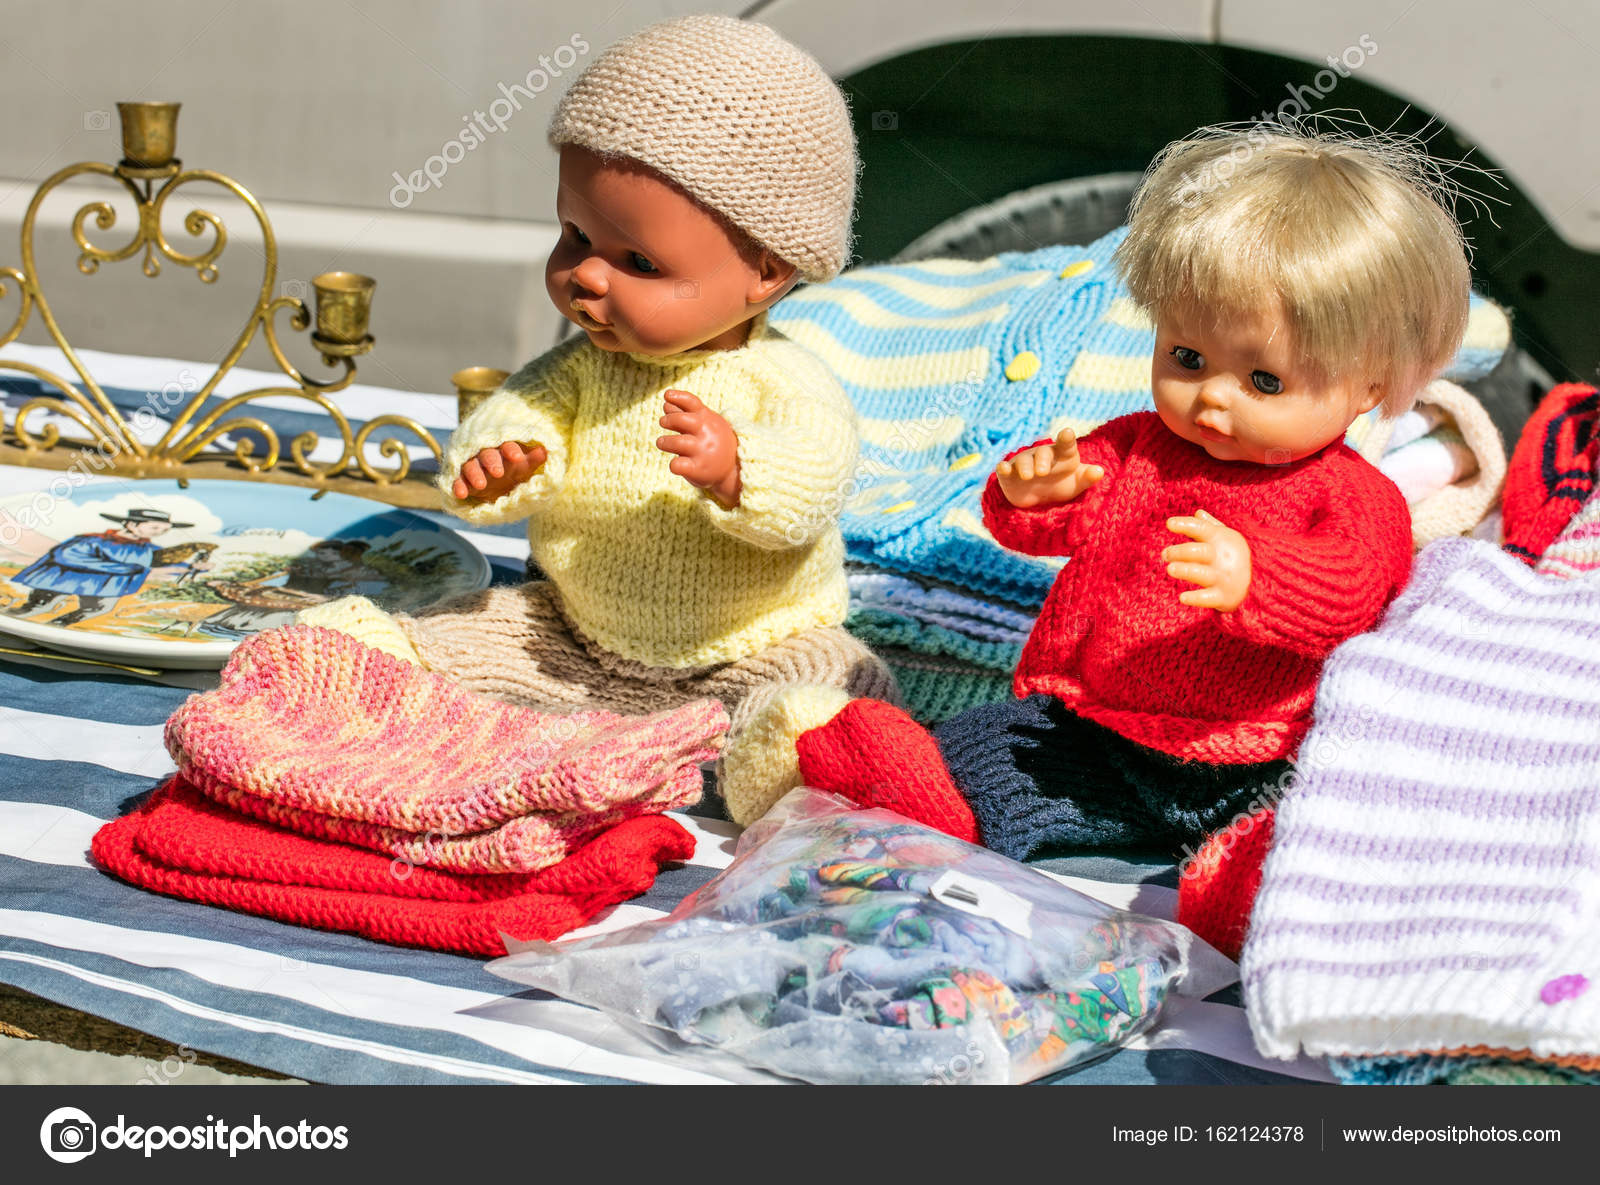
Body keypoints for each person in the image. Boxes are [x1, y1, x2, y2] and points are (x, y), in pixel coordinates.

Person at [796, 123, 1472, 866]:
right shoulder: (1139, 443)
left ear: (1370, 385)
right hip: (1098, 728)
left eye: (1264, 381)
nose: (1212, 398)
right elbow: (1064, 513)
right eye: (1186, 357)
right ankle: (924, 796)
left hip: (1253, 753)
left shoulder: (1349, 493)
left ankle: (1244, 878)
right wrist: (1033, 494)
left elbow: (1353, 587)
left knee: (1307, 823)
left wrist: (1256, 576)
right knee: (996, 751)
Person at [297, 14, 894, 825]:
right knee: (479, 622)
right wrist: (503, 461)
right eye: (574, 234)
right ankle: (364, 668)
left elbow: (819, 472)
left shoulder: (783, 377)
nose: (584, 275)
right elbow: (523, 413)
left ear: (766, 269)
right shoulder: (581, 367)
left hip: (750, 641)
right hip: (574, 632)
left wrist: (741, 467)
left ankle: (786, 749)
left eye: (639, 262)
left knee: (840, 672)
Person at [6, 507, 206, 626]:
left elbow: (161, 559)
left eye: (164, 530)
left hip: (106, 586)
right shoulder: (94, 540)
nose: (159, 533)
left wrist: (191, 566)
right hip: (64, 579)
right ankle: (12, 622)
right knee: (38, 607)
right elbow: (66, 556)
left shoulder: (146, 547)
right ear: (131, 524)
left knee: (99, 608)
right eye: (155, 528)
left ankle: (58, 626)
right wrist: (126, 569)